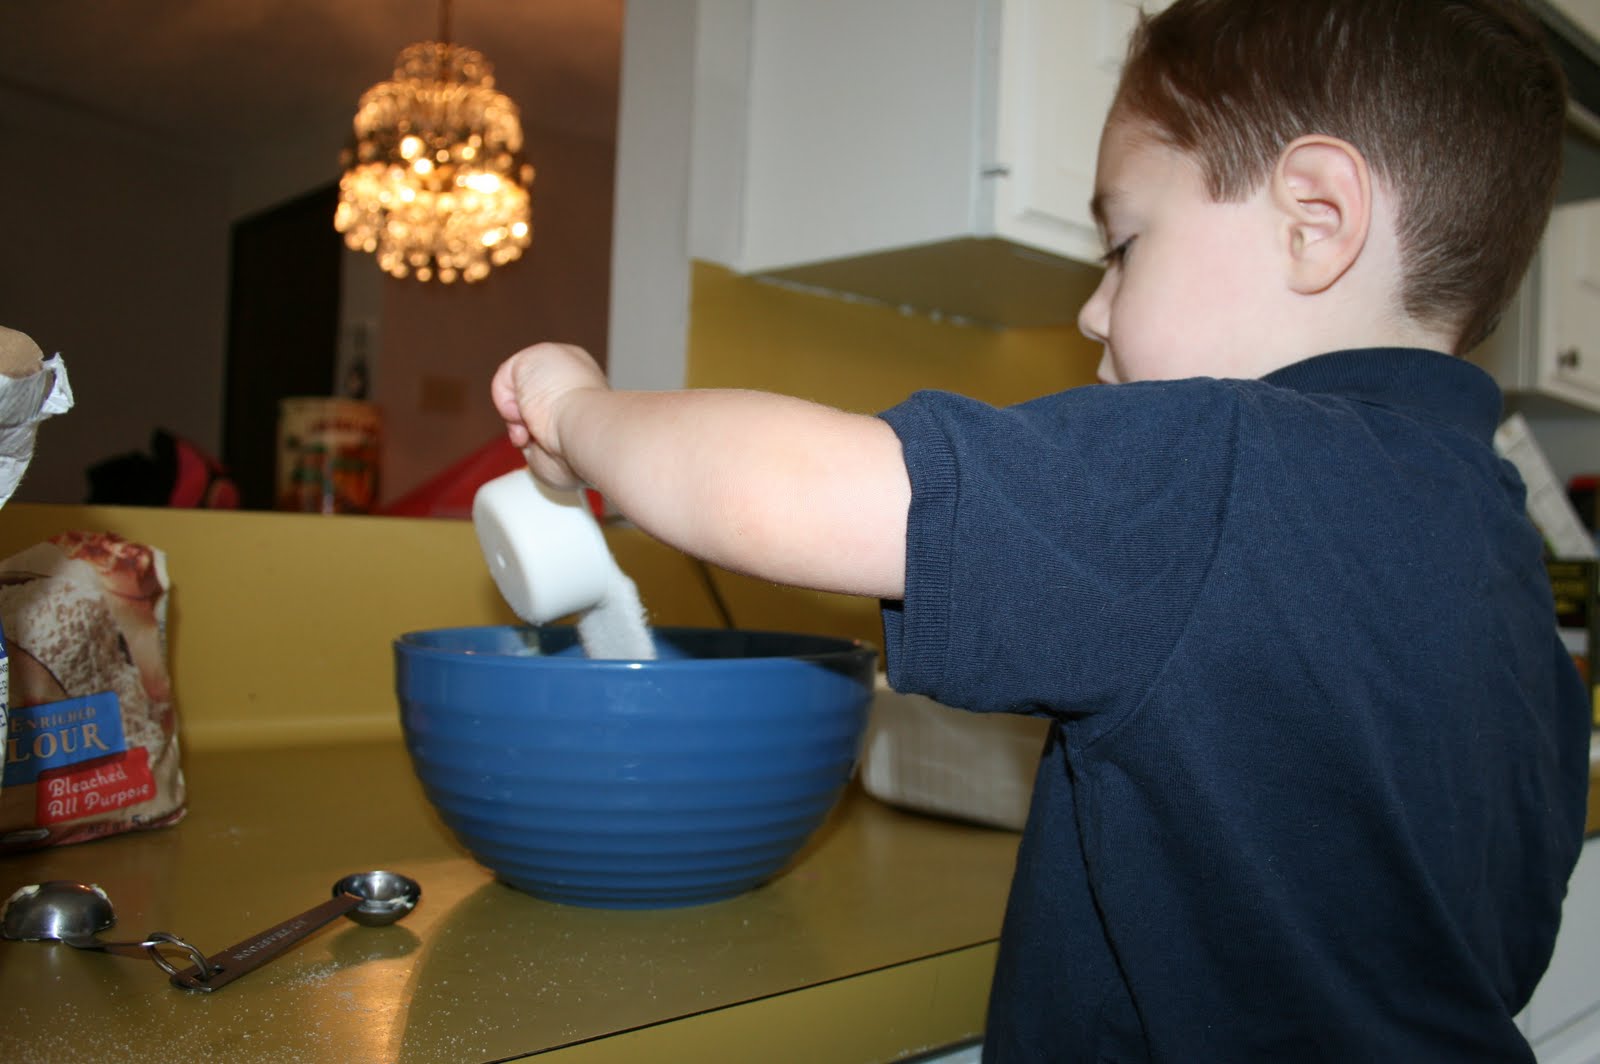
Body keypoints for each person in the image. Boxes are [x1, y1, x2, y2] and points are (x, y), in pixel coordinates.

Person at [491, 0, 1593, 1058]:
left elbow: (788, 490)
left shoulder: (1212, 464)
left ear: (1315, 216)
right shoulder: (1511, 579)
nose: (1092, 309)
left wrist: (579, 410)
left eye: (1122, 245)